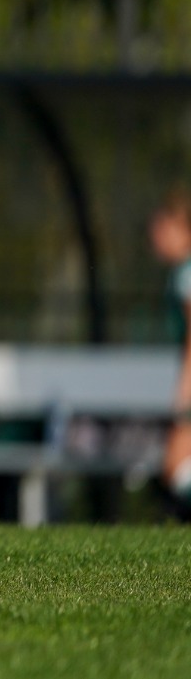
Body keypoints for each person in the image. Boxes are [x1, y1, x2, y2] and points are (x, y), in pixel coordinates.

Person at [150, 190, 191, 513]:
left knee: (175, 470)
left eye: (165, 228)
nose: (157, 237)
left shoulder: (186, 275)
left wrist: (185, 391)